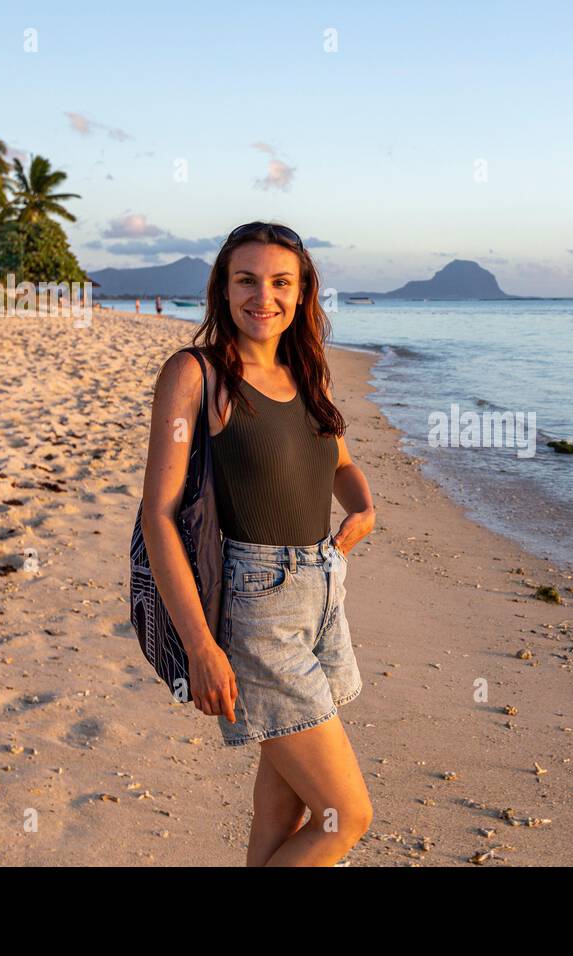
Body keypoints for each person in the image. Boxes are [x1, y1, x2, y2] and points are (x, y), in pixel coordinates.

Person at [140, 222, 375, 866]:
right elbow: (158, 515)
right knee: (344, 815)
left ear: (301, 295)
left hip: (324, 592)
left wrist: (363, 507)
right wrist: (201, 647)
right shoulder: (197, 374)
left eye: (280, 282)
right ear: (222, 287)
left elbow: (339, 461)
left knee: (290, 808)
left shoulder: (306, 371)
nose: (262, 296)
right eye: (246, 280)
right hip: (257, 608)